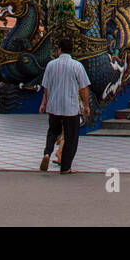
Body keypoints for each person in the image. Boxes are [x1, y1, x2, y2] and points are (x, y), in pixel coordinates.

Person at [38, 37, 90, 174]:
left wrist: (43, 103)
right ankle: (65, 167)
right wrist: (86, 105)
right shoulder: (77, 66)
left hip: (54, 106)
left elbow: (46, 87)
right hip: (70, 108)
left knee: (52, 132)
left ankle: (47, 153)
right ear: (71, 50)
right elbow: (84, 88)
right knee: (71, 137)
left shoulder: (51, 65)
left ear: (59, 50)